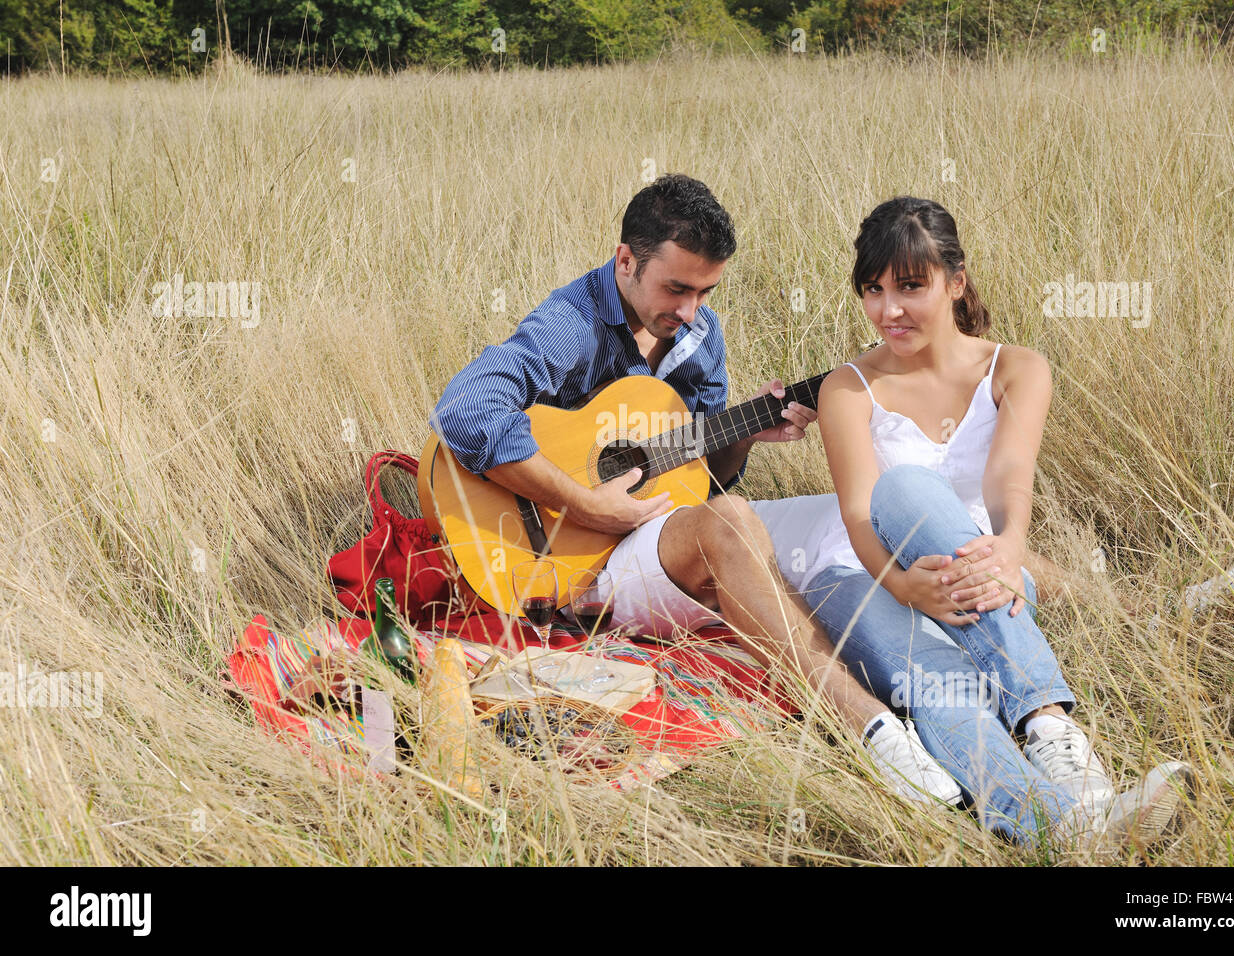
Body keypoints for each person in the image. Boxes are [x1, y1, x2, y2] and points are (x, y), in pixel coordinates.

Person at [431, 175, 959, 806]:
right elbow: (465, 409)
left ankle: (965, 698)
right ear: (626, 262)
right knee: (730, 521)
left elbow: (699, 479)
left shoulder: (700, 338)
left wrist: (743, 436)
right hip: (562, 561)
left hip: (650, 538)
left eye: (705, 291)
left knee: (857, 519)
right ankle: (872, 729)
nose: (690, 311)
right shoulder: (572, 323)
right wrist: (587, 504)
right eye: (676, 288)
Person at [753, 196, 1195, 850]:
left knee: (933, 510)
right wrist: (904, 587)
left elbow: (1008, 476)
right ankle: (1062, 823)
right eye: (873, 290)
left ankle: (1052, 736)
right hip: (858, 570)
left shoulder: (1018, 368)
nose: (888, 310)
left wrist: (1011, 548)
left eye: (910, 286)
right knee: (938, 674)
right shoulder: (847, 387)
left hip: (979, 570)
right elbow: (858, 512)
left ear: (956, 282)